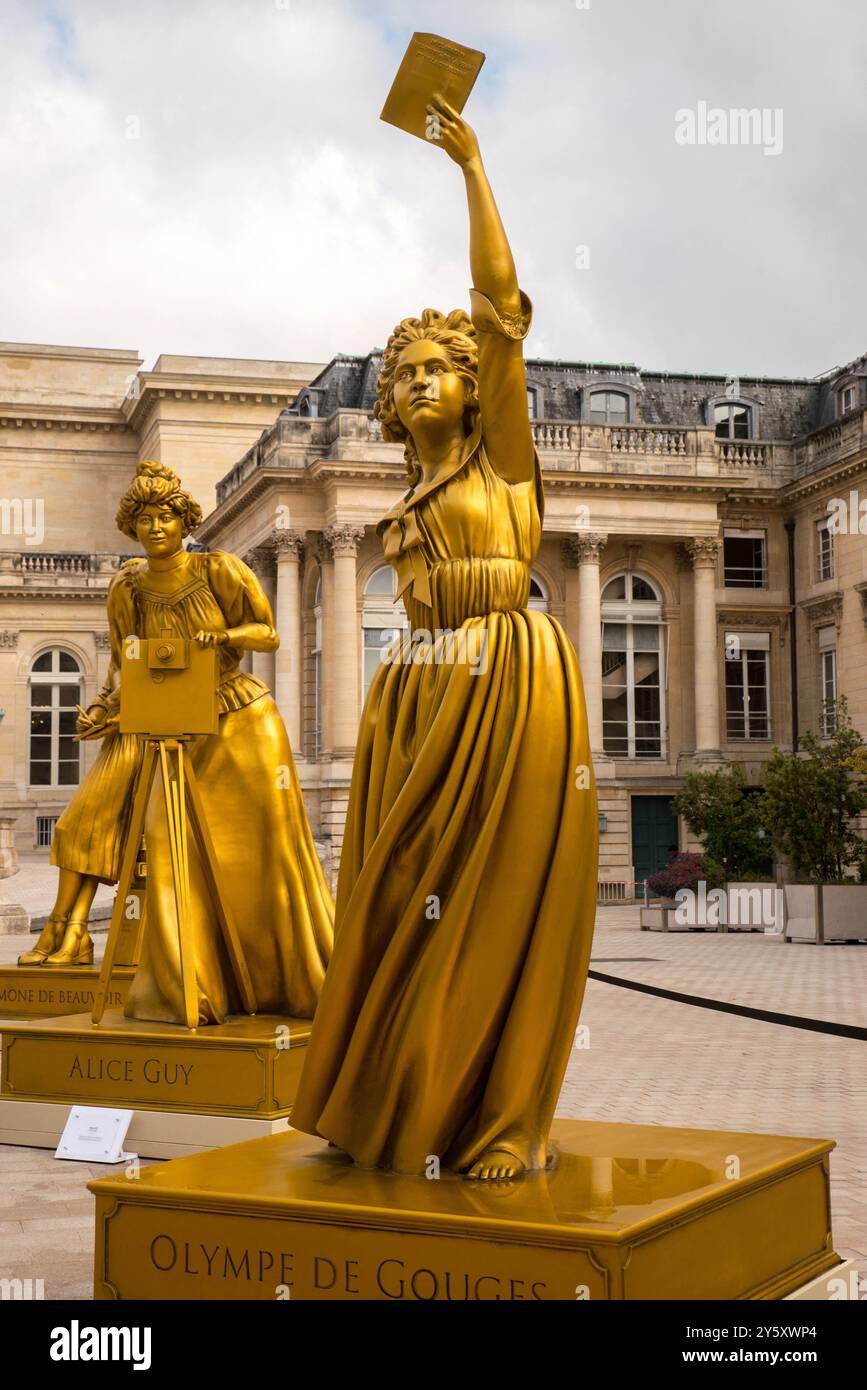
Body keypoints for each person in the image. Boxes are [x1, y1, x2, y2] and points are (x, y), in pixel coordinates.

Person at [288, 97, 599, 1180]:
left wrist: (470, 164)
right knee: (398, 892)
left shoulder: (504, 460)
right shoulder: (408, 497)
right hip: (421, 688)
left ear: (476, 391)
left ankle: (497, 1114)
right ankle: (398, 1093)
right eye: (405, 373)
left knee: (497, 896)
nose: (422, 380)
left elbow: (500, 304)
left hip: (511, 679)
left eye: (440, 368)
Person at [23, 459, 333, 1026]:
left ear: (184, 519)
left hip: (238, 716)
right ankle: (179, 982)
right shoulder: (128, 586)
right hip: (165, 723)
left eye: (166, 516)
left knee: (267, 850)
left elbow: (269, 632)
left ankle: (280, 978)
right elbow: (124, 664)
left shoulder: (221, 569)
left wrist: (227, 636)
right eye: (144, 519)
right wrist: (105, 708)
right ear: (132, 526)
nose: (156, 527)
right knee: (142, 843)